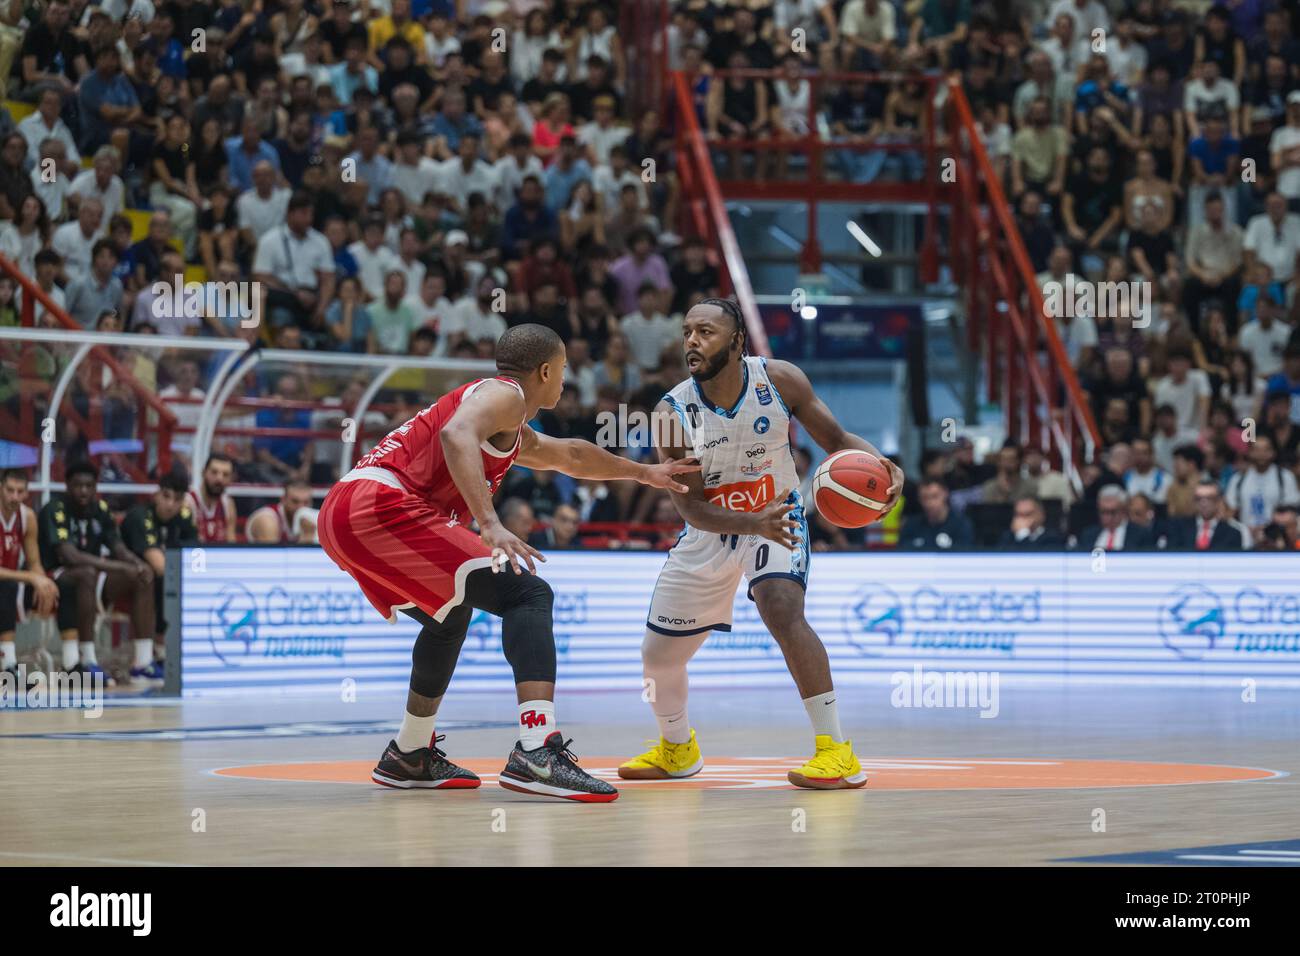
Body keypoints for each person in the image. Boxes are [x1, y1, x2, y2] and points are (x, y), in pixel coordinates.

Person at [316, 323, 697, 801]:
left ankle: (408, 754)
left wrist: (645, 473)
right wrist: (490, 523)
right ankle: (536, 751)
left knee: (449, 617)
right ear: (543, 370)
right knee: (527, 591)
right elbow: (457, 434)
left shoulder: (509, 420)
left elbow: (572, 456)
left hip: (346, 513)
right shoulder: (507, 394)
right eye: (562, 371)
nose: (566, 380)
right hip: (377, 506)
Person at [619, 298, 904, 790]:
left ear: (736, 341)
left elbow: (836, 438)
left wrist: (882, 464)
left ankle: (836, 751)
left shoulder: (781, 380)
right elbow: (690, 508)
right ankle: (677, 747)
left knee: (781, 609)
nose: (691, 341)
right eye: (687, 331)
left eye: (705, 332)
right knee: (659, 659)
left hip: (779, 516)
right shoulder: (671, 412)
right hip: (713, 529)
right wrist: (751, 522)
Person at [37, 460, 155, 685]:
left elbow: (117, 546)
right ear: (67, 485)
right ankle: (88, 659)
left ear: (95, 487)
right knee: (86, 573)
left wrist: (137, 564)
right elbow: (70, 556)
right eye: (78, 485)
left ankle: (143, 662)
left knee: (142, 577)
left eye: (89, 486)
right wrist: (121, 566)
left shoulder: (100, 509)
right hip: (56, 575)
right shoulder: (55, 509)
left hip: (92, 575)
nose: (83, 491)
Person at [121, 470, 198, 683]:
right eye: (166, 496)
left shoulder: (184, 517)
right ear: (156, 495)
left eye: (178, 499)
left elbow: (197, 558)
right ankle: (150, 659)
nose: (170, 504)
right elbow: (159, 565)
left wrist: (197, 574)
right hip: (124, 583)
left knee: (182, 583)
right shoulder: (140, 516)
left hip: (158, 585)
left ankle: (167, 654)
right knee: (161, 578)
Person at [0, 470, 59, 682]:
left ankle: (78, 660)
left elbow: (34, 563)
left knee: (59, 587)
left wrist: (43, 583)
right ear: (0, 488)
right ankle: (8, 664)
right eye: (9, 490)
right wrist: (32, 578)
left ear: (27, 493)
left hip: (10, 584)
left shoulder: (27, 517)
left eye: (20, 491)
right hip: (8, 584)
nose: (14, 496)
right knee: (7, 587)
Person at [899, 479, 974, 550]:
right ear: (919, 499)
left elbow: (963, 557)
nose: (930, 503)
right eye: (925, 498)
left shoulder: (961, 525)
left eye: (935, 496)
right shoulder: (911, 525)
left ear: (945, 494)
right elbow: (902, 555)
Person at [185, 454, 237, 543]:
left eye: (225, 474)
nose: (219, 479)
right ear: (203, 473)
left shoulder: (228, 504)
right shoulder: (188, 502)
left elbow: (231, 545)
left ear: (231, 479)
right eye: (214, 472)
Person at [246, 479, 316, 544]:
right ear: (283, 499)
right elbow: (272, 555)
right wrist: (307, 536)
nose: (301, 507)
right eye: (295, 501)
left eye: (306, 502)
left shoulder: (312, 520)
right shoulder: (267, 520)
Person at [997, 495, 1065, 550]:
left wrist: (1023, 534)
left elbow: (1032, 559)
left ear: (1041, 515)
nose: (1022, 519)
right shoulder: (1008, 536)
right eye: (1019, 515)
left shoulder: (1052, 538)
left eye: (1028, 514)